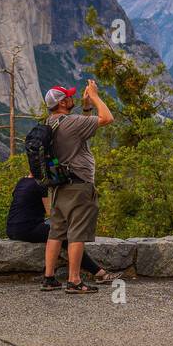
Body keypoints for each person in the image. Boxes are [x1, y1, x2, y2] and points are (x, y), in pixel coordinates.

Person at [43, 81, 113, 294]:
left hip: (58, 186)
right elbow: (107, 118)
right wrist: (94, 96)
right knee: (77, 233)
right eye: (68, 97)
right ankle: (74, 281)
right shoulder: (71, 122)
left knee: (56, 232)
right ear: (63, 102)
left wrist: (85, 108)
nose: (72, 98)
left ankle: (49, 278)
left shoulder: (51, 123)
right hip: (79, 185)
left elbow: (82, 133)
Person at [6, 171, 121, 284]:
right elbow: (50, 212)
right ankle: (99, 273)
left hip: (11, 229)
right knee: (66, 235)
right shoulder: (40, 184)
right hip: (28, 229)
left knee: (59, 231)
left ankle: (97, 273)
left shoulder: (22, 181)